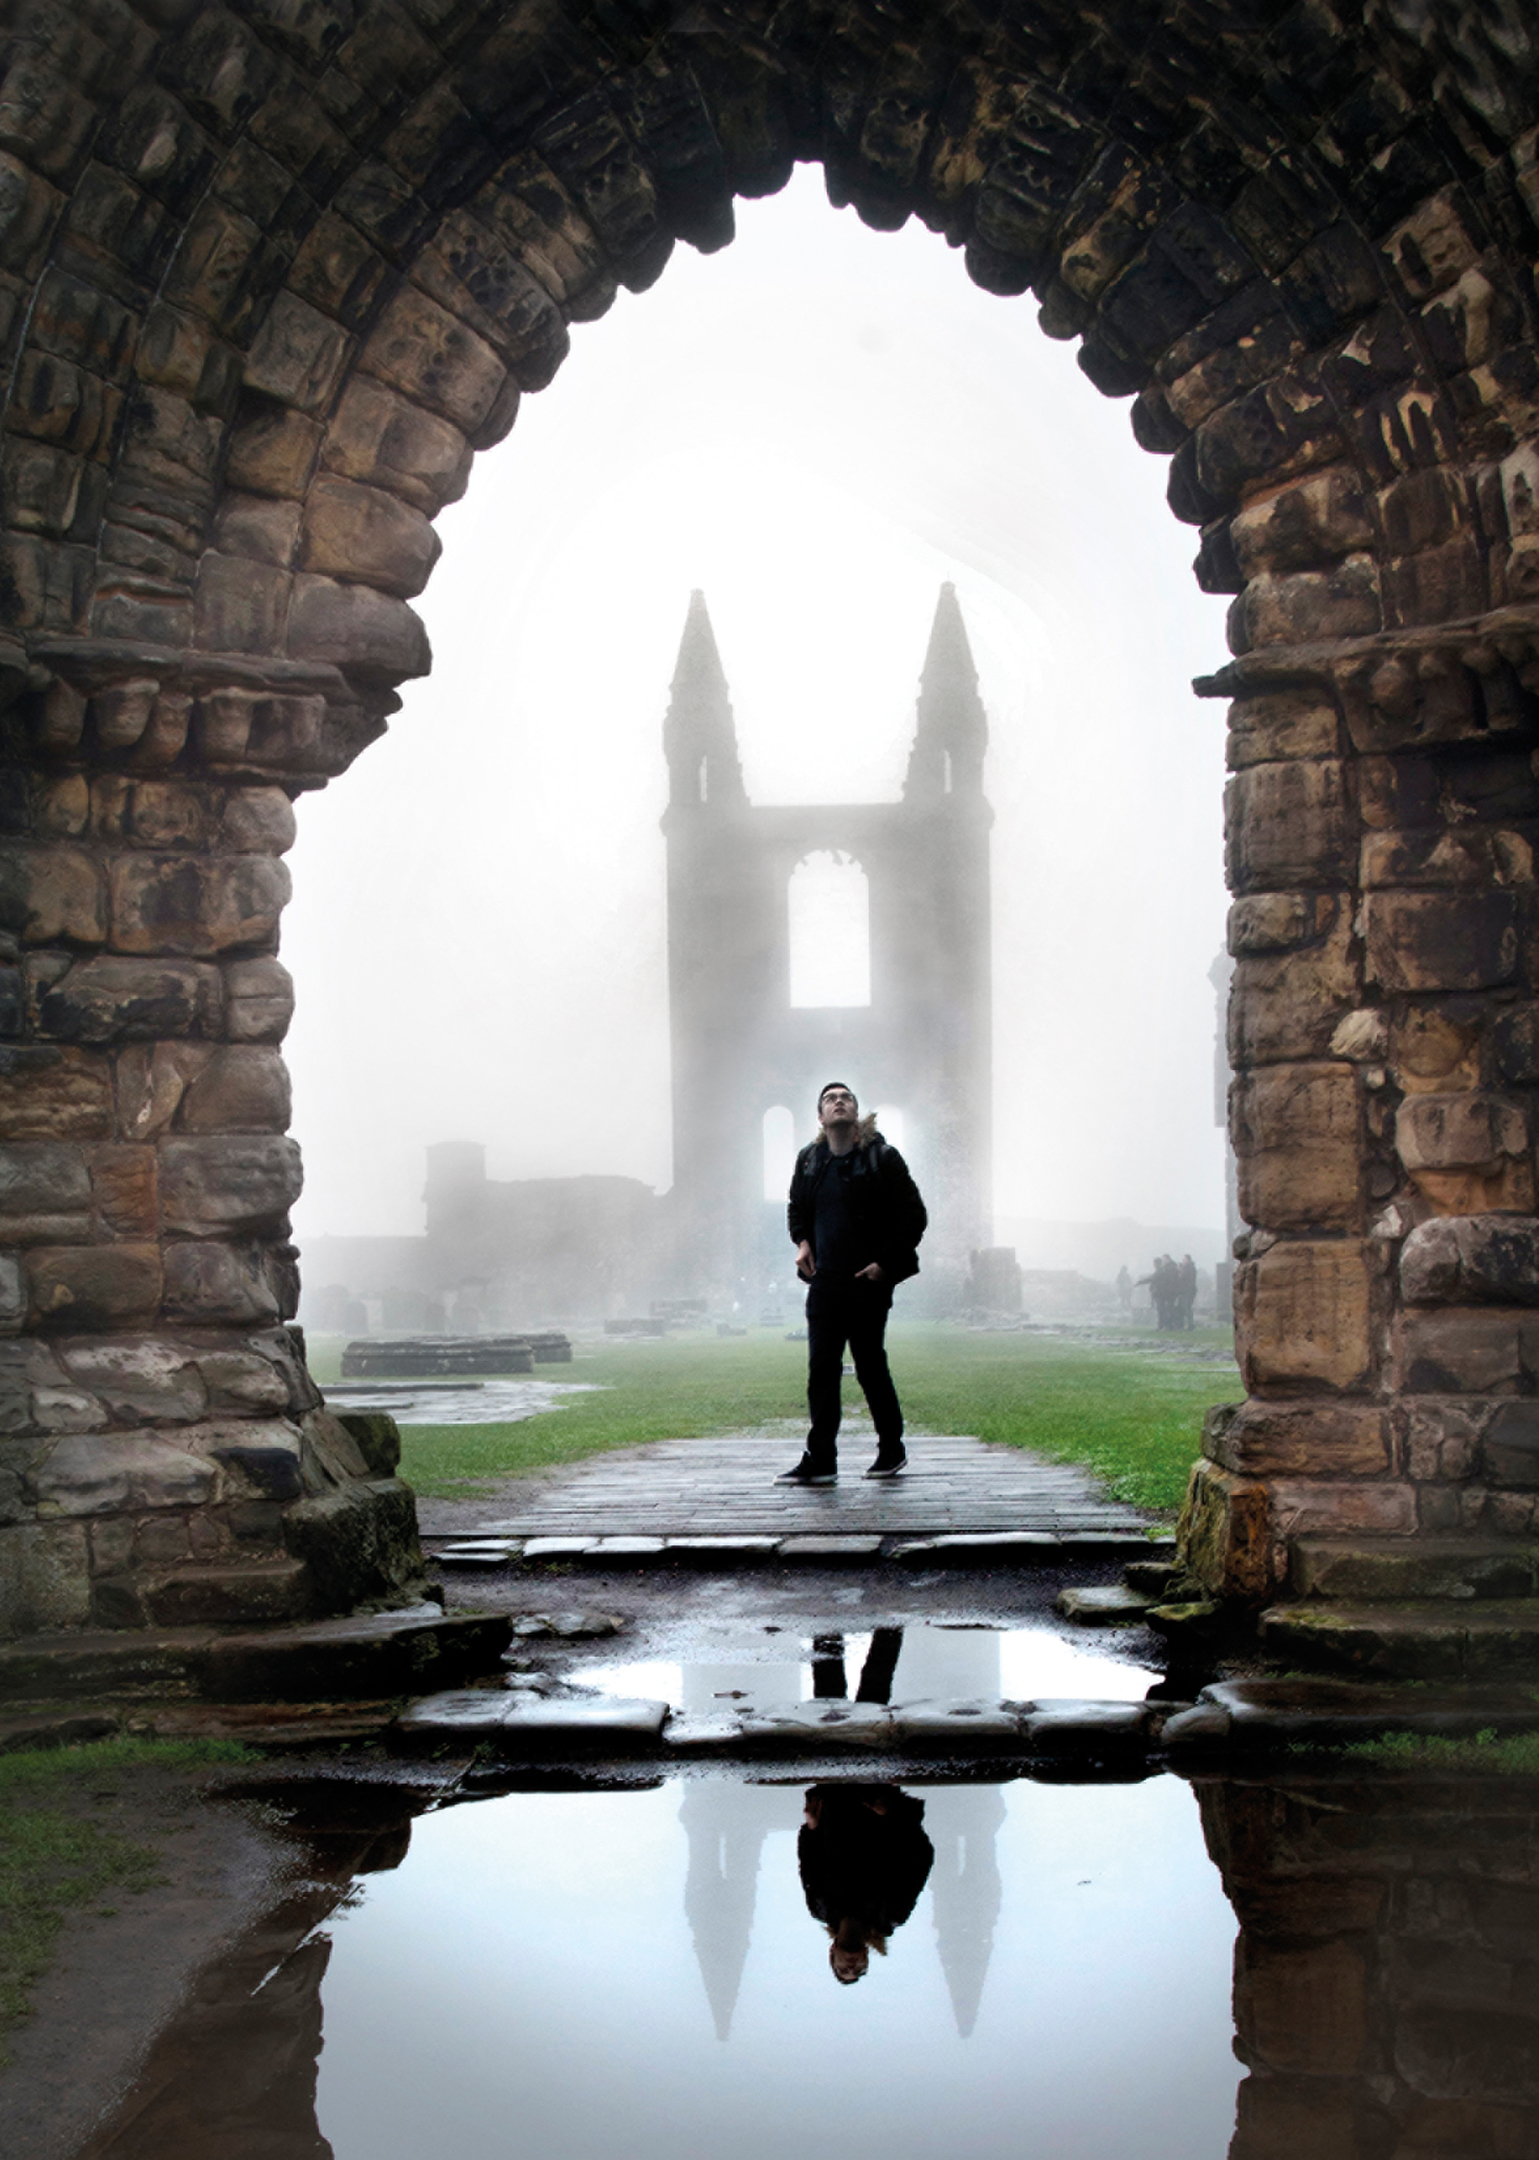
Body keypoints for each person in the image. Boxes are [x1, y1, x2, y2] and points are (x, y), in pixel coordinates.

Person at [778, 1082, 927, 1485]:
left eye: (845, 1097)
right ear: (821, 1117)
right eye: (830, 1099)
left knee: (870, 1367)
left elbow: (913, 1216)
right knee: (821, 1371)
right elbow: (796, 1208)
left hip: (867, 1282)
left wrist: (885, 1264)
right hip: (824, 1282)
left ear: (856, 1113)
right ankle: (821, 1459)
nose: (838, 1101)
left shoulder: (882, 1158)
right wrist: (802, 1242)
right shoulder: (810, 1160)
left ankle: (891, 1450)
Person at [797, 1783, 934, 1985]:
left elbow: (810, 1865)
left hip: (835, 1805)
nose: (851, 1966)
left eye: (843, 1968)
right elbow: (920, 1860)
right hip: (876, 1807)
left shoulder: (820, 1909)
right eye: (860, 1968)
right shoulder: (891, 1915)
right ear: (866, 1956)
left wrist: (811, 1828)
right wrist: (893, 1816)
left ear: (832, 1953)